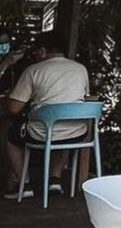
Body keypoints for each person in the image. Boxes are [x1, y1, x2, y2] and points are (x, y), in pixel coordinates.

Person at [4, 29, 89, 199]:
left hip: (42, 133)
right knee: (65, 126)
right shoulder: (81, 69)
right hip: (76, 133)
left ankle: (23, 183)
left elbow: (13, 108)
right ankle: (55, 179)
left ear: (42, 50)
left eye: (36, 51)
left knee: (10, 135)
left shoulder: (34, 70)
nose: (34, 55)